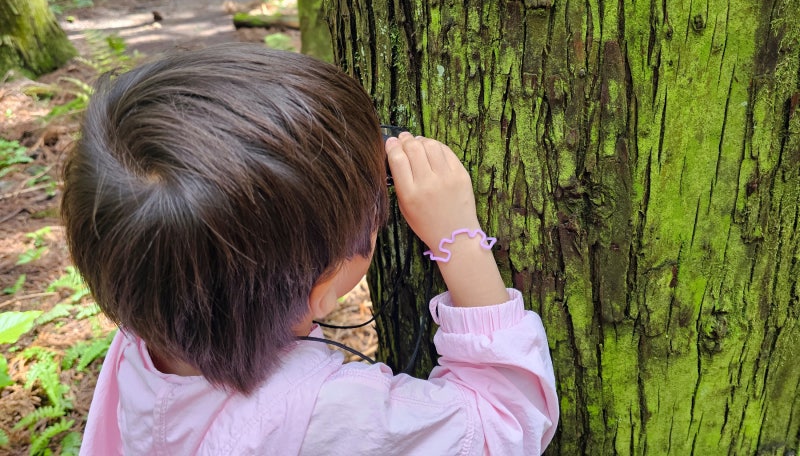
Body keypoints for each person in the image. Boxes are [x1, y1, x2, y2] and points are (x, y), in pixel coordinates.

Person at [62, 44, 559, 455]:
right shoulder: (327, 417)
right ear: (320, 291)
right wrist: (459, 239)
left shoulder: (149, 323)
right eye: (374, 203)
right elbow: (504, 425)